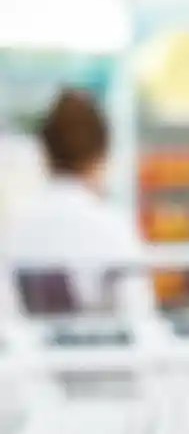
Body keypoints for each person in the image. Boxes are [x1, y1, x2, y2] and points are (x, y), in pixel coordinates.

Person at [0, 89, 153, 319]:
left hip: (33, 352)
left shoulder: (16, 226)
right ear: (101, 156)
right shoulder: (111, 226)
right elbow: (138, 315)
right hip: (101, 351)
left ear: (45, 153)